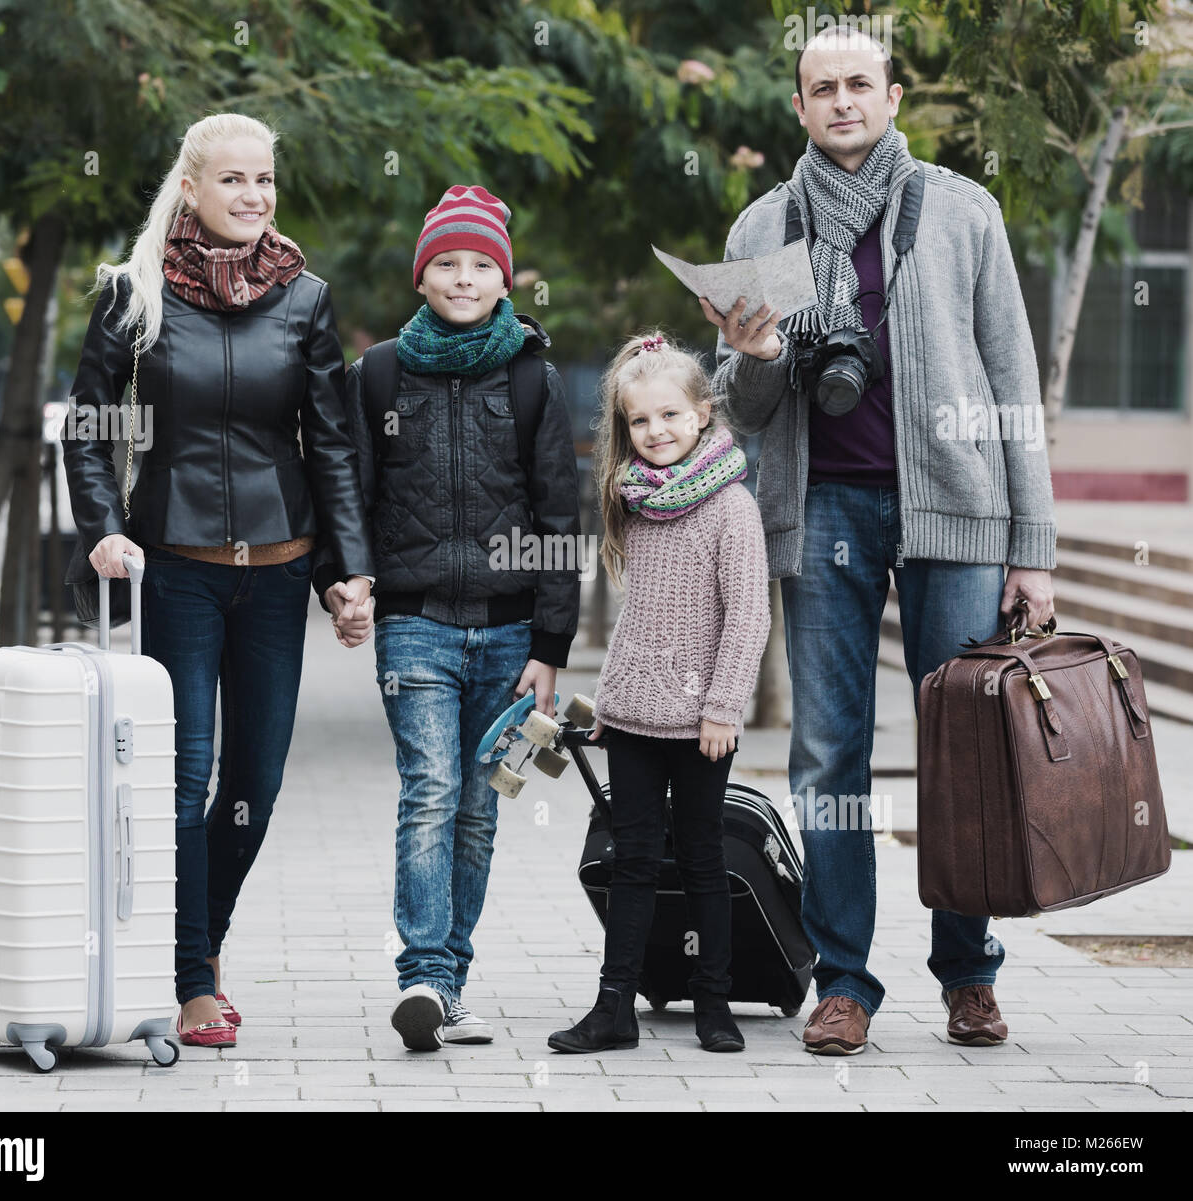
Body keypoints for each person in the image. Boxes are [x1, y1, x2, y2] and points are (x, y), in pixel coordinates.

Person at [706, 27, 1057, 1055]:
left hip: (957, 509)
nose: (843, 102)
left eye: (860, 84)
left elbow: (1011, 379)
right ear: (799, 106)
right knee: (827, 754)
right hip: (823, 509)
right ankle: (844, 979)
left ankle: (967, 973)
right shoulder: (763, 224)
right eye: (824, 88)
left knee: (964, 748)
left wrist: (1028, 546)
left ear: (892, 94)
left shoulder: (958, 209)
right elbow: (743, 407)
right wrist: (758, 352)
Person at [62, 113, 375, 1049]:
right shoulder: (133, 294)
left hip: (279, 575)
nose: (253, 196)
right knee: (183, 774)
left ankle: (195, 942)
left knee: (255, 783)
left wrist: (348, 570)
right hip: (178, 573)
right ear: (191, 187)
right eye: (232, 180)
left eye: (265, 180)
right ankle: (191, 977)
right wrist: (104, 534)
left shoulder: (304, 297)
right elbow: (88, 424)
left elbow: (332, 444)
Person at [322, 185, 581, 1050]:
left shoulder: (533, 376)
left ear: (504, 280)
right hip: (415, 622)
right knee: (431, 788)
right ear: (422, 273)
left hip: (511, 634)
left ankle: (453, 981)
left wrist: (551, 643)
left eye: (481, 264)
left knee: (480, 802)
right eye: (447, 262)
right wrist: (342, 580)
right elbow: (348, 493)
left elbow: (558, 518)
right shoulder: (381, 373)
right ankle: (423, 976)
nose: (463, 278)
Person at [547, 331, 769, 1055]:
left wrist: (723, 707)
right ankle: (615, 1006)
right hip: (635, 718)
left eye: (670, 416)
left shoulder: (731, 507)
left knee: (704, 857)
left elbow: (749, 614)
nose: (656, 432)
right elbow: (639, 619)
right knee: (633, 859)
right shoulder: (634, 501)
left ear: (703, 412)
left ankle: (715, 1002)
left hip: (702, 720)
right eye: (640, 421)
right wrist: (607, 706)